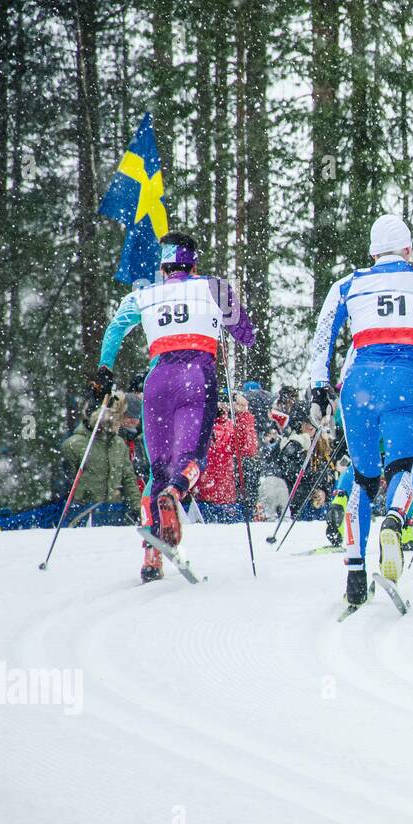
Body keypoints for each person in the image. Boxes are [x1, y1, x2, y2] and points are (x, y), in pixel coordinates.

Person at [305, 213, 413, 606]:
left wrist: (319, 387)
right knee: (402, 469)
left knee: (363, 478)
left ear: (371, 252)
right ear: (409, 250)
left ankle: (354, 570)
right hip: (404, 382)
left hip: (359, 384)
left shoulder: (348, 283)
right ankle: (395, 522)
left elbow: (322, 336)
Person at [92, 230, 256, 581]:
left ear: (164, 267)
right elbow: (247, 334)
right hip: (197, 376)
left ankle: (152, 556)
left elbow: (115, 329)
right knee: (192, 459)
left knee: (158, 468)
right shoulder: (212, 287)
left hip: (158, 381)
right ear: (193, 262)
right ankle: (175, 494)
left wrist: (104, 370)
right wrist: (229, 319)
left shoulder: (144, 293)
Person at [59, 397, 143, 518]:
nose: (120, 423)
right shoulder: (74, 445)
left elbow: (129, 479)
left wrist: (137, 508)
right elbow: (66, 484)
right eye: (118, 419)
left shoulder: (119, 444)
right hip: (84, 511)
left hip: (114, 510)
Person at [195, 391, 259, 517]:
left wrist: (243, 414)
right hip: (198, 498)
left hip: (224, 498)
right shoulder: (196, 424)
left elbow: (248, 448)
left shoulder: (230, 426)